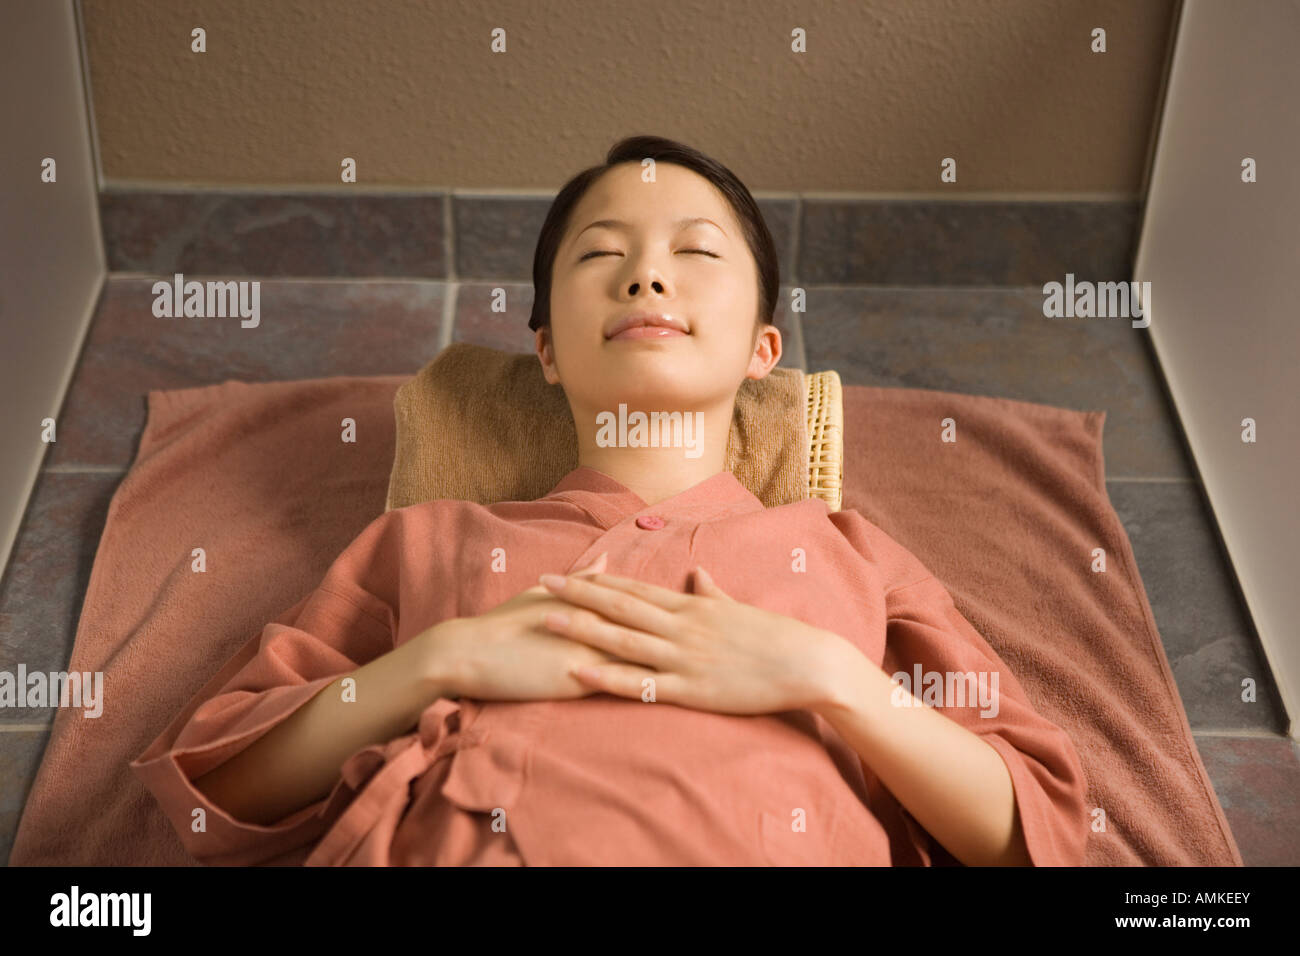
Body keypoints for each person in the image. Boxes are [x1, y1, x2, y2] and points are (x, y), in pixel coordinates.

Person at [131, 135, 1090, 867]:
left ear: (764, 353)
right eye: (601, 255)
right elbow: (216, 787)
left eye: (696, 251)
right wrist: (436, 662)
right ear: (546, 352)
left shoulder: (843, 551)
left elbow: (1032, 829)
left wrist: (831, 678)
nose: (646, 272)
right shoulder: (431, 540)